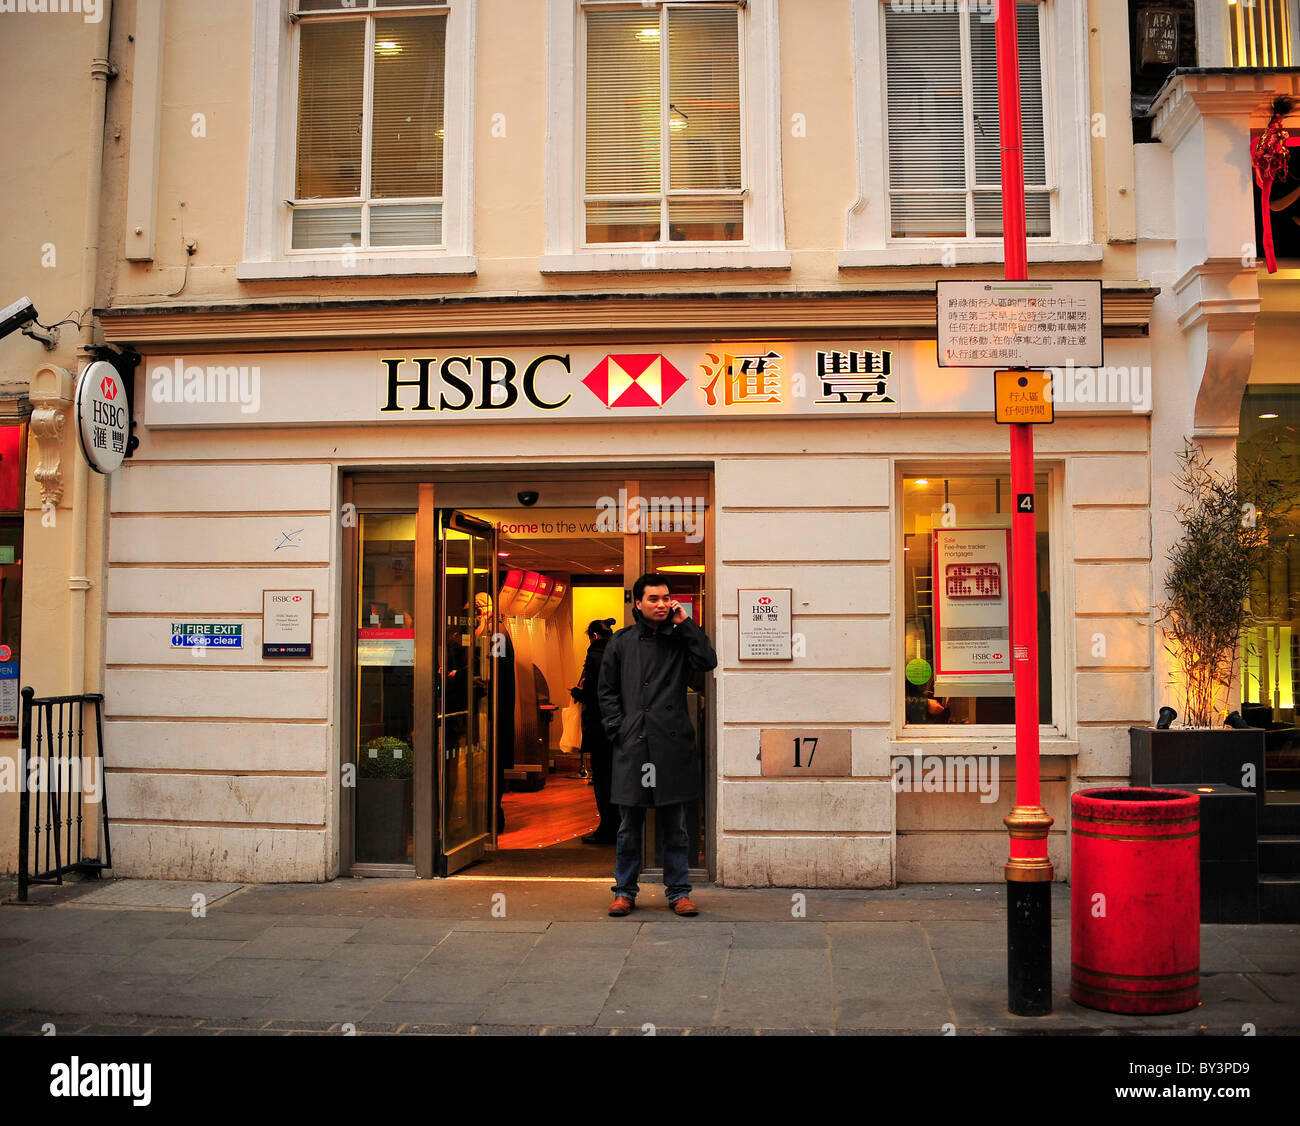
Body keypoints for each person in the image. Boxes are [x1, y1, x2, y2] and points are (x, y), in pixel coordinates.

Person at [598, 573, 717, 917]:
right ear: (637, 603)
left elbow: (708, 661)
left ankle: (679, 892)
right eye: (654, 599)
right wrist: (617, 729)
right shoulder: (620, 642)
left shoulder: (681, 640)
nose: (662, 604)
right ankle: (624, 891)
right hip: (633, 743)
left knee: (675, 827)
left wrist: (687, 623)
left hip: (671, 743)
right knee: (628, 828)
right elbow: (606, 692)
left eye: (667, 598)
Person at [572, 618, 618, 843]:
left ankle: (607, 828)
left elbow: (592, 691)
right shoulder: (619, 653)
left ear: (594, 636)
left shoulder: (594, 656)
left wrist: (577, 693)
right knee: (614, 775)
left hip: (599, 726)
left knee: (601, 777)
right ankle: (617, 825)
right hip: (617, 726)